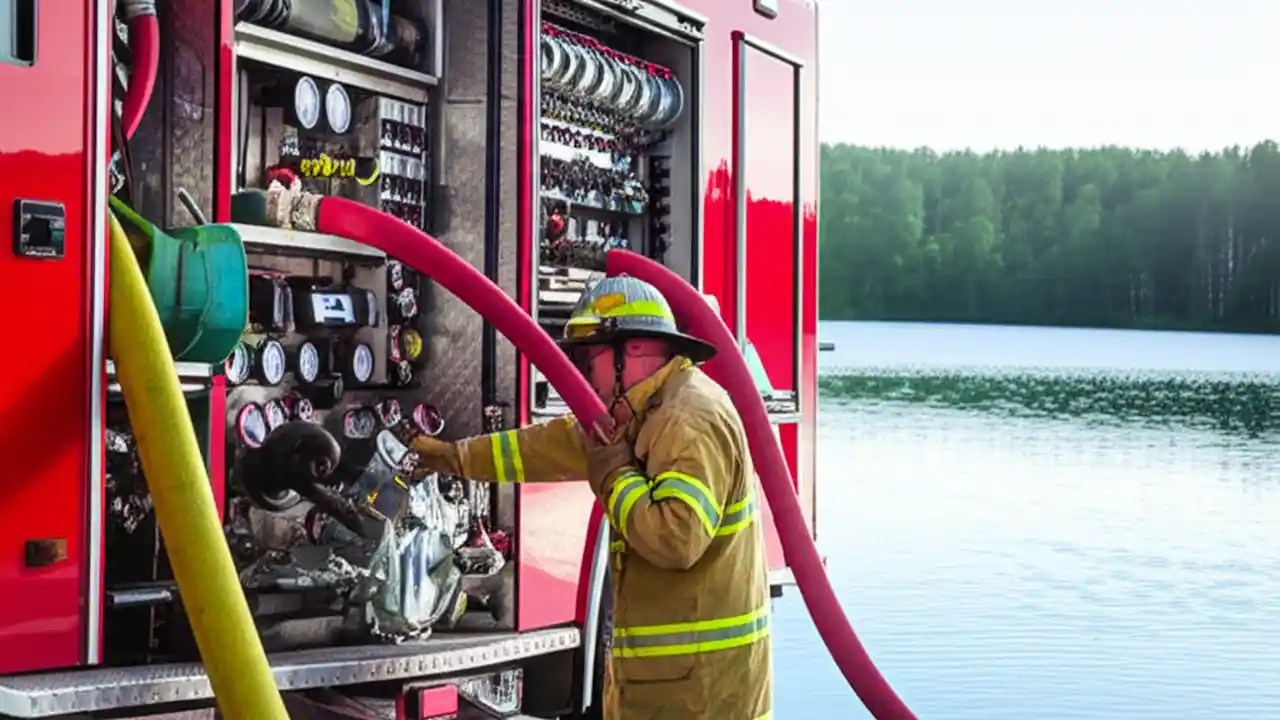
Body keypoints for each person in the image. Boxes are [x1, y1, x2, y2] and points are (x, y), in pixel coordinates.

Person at [394, 276, 772, 720]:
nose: (581, 379)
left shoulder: (688, 420)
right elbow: (539, 449)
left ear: (630, 351)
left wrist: (614, 473)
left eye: (587, 361)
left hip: (702, 701)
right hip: (673, 693)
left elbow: (676, 538)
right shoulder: (641, 413)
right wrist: (449, 457)